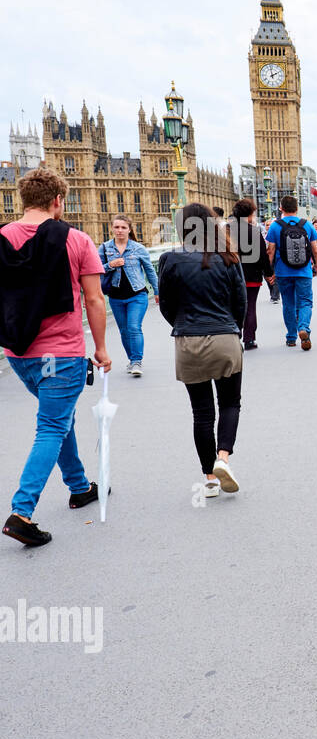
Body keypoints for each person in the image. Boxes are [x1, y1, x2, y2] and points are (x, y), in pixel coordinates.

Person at [1, 168, 110, 547]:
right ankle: (21, 511)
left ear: (21, 200)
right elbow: (95, 299)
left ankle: (79, 487)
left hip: (19, 354)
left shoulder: (2, 237)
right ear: (57, 201)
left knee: (61, 417)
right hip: (60, 355)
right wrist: (100, 348)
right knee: (51, 425)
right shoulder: (77, 239)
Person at [157, 203, 246, 499]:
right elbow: (240, 304)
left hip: (188, 342)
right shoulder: (228, 257)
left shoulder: (170, 259)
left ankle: (209, 479)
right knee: (230, 404)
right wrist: (235, 331)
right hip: (225, 337)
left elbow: (166, 305)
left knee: (201, 413)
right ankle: (223, 458)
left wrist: (183, 325)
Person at [97, 213, 158, 376]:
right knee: (124, 330)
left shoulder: (138, 248)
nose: (119, 230)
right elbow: (95, 270)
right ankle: (132, 360)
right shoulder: (104, 248)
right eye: (116, 227)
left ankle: (137, 361)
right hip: (116, 297)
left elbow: (150, 271)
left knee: (133, 327)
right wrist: (110, 264)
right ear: (112, 228)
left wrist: (157, 291)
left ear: (129, 230)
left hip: (137, 295)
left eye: (123, 227)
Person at [266, 194, 317, 350]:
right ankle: (303, 328)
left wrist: (269, 271)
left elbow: (270, 251)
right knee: (305, 302)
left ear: (281, 208)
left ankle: (291, 337)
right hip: (304, 271)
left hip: (283, 272)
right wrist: (316, 265)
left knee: (288, 304)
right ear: (297, 209)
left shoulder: (275, 226)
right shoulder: (307, 225)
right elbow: (315, 249)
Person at [230, 198, 272, 349]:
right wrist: (268, 273)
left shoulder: (226, 231)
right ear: (249, 214)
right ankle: (249, 340)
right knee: (250, 307)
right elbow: (262, 255)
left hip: (231, 276)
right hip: (251, 276)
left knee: (233, 307)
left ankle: (234, 338)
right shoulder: (254, 231)